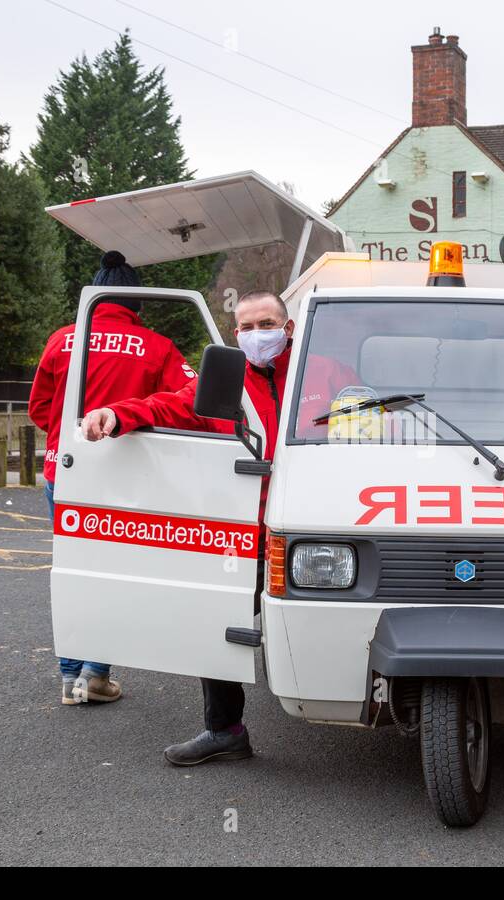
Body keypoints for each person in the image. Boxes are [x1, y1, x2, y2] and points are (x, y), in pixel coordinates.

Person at [81, 291, 356, 766]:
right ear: (235, 334)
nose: (256, 335)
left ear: (288, 328)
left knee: (329, 618)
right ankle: (224, 730)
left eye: (266, 323)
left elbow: (370, 421)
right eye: (246, 327)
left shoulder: (326, 372)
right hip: (247, 524)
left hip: (315, 527)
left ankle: (351, 705)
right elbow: (169, 406)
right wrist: (118, 414)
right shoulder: (225, 378)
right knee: (215, 622)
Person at [28, 250, 198, 706]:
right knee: (113, 574)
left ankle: (71, 678)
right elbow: (192, 398)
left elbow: (40, 409)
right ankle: (96, 674)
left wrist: (72, 441)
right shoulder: (156, 346)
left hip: (62, 470)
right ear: (135, 303)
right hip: (125, 479)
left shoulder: (62, 339)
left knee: (74, 569)